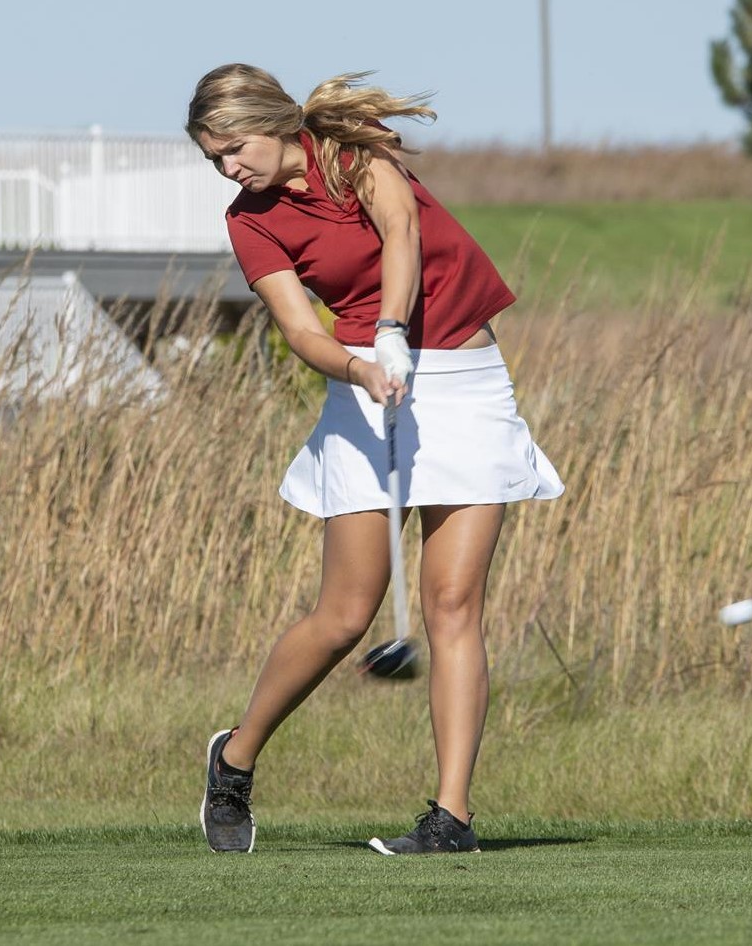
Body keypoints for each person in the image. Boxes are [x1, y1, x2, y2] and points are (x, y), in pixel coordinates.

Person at [187, 64, 564, 855]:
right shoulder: (250, 219)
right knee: (344, 617)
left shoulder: (353, 152)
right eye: (213, 158)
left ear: (276, 125)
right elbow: (299, 329)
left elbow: (403, 232)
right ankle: (235, 755)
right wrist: (362, 365)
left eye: (234, 149)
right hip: (365, 389)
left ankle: (451, 817)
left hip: (462, 385)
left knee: (452, 605)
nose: (229, 169)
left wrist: (392, 327)